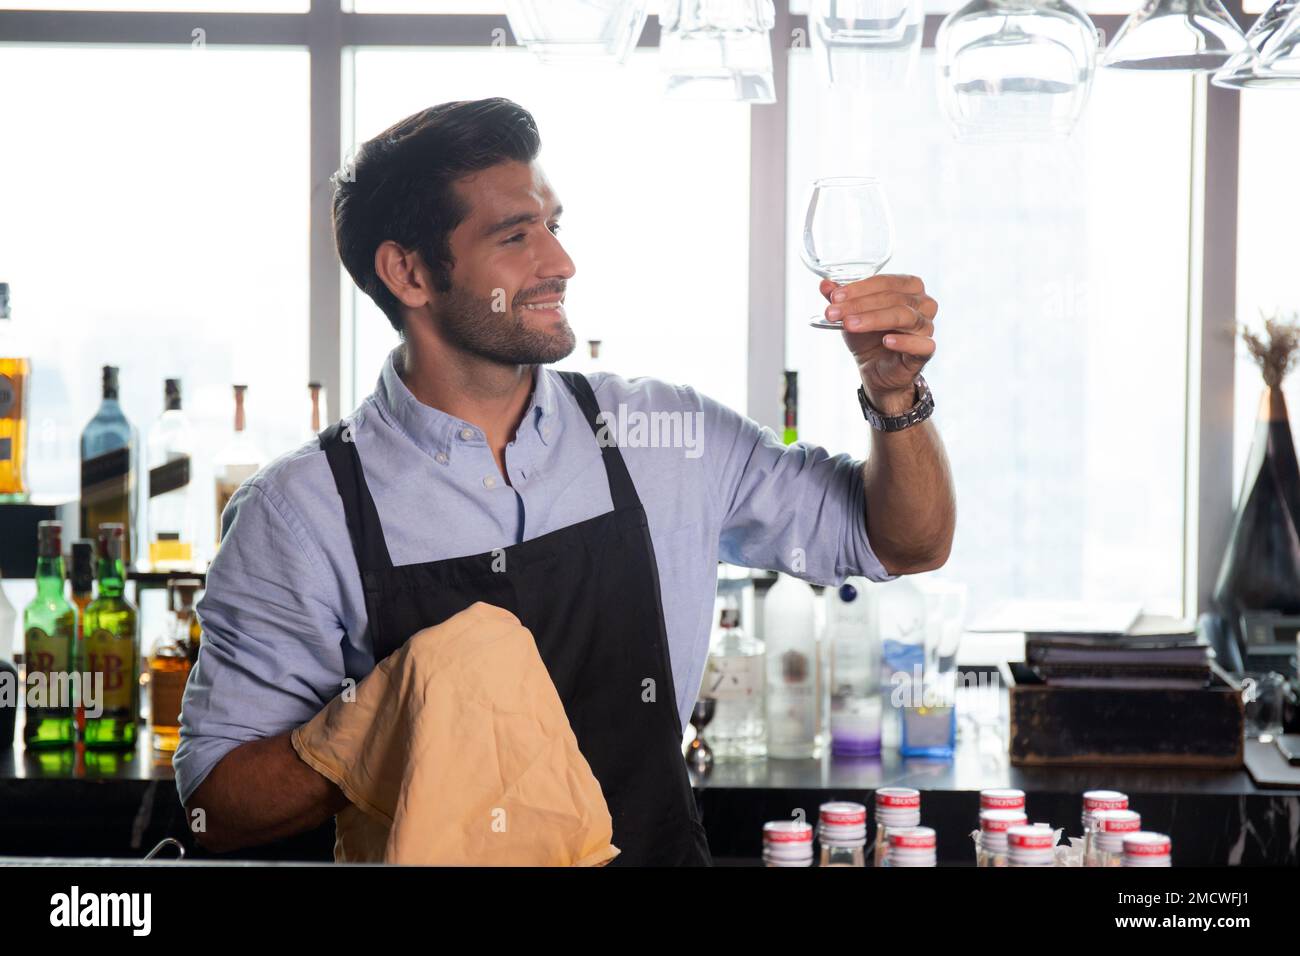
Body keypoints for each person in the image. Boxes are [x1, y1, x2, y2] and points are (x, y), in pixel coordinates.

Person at [174, 97, 956, 865]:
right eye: (517, 236)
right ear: (408, 272)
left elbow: (903, 542)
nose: (560, 263)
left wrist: (895, 399)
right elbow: (216, 805)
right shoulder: (301, 513)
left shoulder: (667, 438)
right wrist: (384, 716)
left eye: (553, 225)